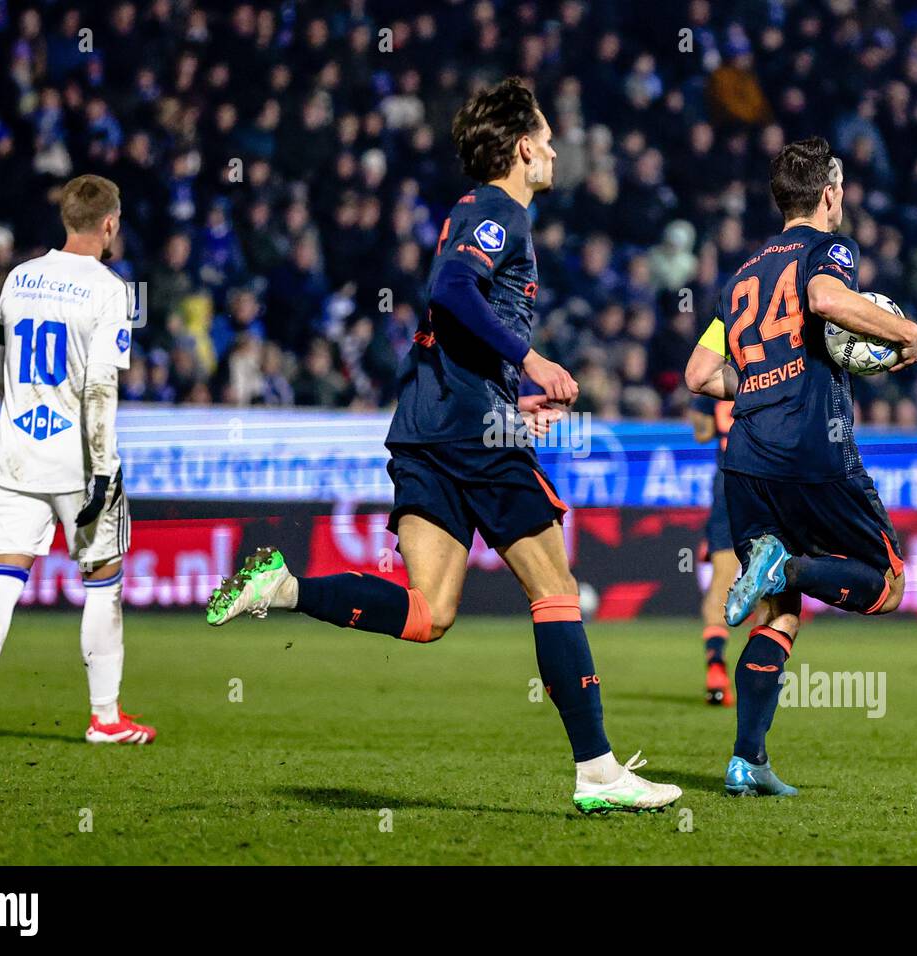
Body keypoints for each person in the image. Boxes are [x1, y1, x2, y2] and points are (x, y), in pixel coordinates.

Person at [206, 78, 680, 815]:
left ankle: (283, 587)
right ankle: (597, 770)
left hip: (428, 427)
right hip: (468, 431)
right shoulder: (499, 212)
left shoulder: (473, 212)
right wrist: (531, 362)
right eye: (548, 137)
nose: (556, 149)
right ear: (524, 147)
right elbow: (451, 290)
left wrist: (510, 396)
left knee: (429, 612)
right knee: (555, 590)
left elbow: (458, 327)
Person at [684, 137, 917, 796]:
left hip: (747, 460)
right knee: (889, 583)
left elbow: (700, 374)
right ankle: (784, 565)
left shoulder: (740, 278)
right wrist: (905, 334)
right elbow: (824, 300)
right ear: (827, 194)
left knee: (780, 613)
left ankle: (747, 759)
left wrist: (761, 380)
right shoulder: (829, 249)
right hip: (811, 448)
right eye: (840, 190)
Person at [0, 174, 153, 746]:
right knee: (102, 582)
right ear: (110, 224)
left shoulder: (19, 277)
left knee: (3, 577)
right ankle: (105, 718)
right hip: (77, 459)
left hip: (16, 449)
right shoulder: (109, 289)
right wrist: (101, 467)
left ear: (66, 218)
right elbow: (98, 389)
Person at [688, 395, 738, 706]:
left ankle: (716, 668)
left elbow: (702, 433)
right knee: (779, 580)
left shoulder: (712, 382)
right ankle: (764, 673)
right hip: (771, 480)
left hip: (727, 484)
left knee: (723, 579)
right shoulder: (776, 365)